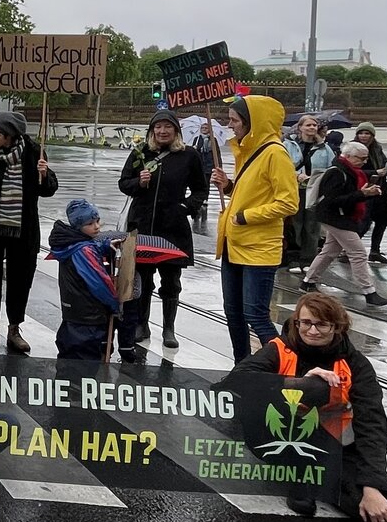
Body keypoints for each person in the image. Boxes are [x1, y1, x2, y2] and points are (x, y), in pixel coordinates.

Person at [224, 293, 387, 522]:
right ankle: (299, 474)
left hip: (332, 444)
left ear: (337, 327)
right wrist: (297, 384)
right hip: (276, 438)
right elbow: (234, 381)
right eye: (306, 323)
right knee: (315, 387)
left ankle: (321, 477)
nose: (313, 331)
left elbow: (372, 424)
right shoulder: (279, 349)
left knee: (383, 514)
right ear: (297, 322)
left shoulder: (356, 364)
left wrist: (373, 486)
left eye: (322, 325)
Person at [211, 95, 297, 361]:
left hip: (259, 247)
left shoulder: (275, 153)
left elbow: (289, 203)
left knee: (256, 315)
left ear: (252, 122)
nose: (231, 125)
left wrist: (246, 217)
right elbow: (253, 191)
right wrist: (227, 185)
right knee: (233, 313)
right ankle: (242, 367)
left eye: (235, 120)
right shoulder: (248, 149)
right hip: (233, 244)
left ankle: (283, 366)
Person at [117, 109, 207, 350]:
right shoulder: (141, 153)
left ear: (176, 130)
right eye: (158, 127)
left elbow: (201, 189)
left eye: (167, 127)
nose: (162, 131)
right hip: (143, 224)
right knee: (143, 280)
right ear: (152, 130)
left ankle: (169, 328)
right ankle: (141, 324)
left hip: (173, 228)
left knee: (171, 281)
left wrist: (185, 207)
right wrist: (139, 182)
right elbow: (124, 183)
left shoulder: (189, 155)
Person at [0, 110, 57, 354]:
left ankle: (15, 328)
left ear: (11, 135)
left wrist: (45, 174)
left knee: (21, 279)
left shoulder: (33, 151)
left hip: (24, 227)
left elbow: (48, 189)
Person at [302, 141, 387, 308]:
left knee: (330, 250)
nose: (364, 162)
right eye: (361, 158)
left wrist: (366, 194)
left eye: (366, 159)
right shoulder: (337, 173)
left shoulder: (351, 171)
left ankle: (308, 281)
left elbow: (348, 197)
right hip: (335, 218)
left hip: (340, 217)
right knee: (358, 253)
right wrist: (362, 194)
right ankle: (369, 292)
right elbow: (332, 201)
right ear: (348, 156)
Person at [46, 199, 134, 361]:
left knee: (69, 353)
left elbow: (85, 247)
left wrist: (104, 246)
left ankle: (66, 384)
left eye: (98, 221)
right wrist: (114, 304)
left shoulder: (71, 244)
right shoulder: (85, 251)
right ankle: (77, 386)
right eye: (90, 223)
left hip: (73, 312)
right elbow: (99, 282)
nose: (97, 226)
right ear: (79, 227)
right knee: (84, 359)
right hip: (89, 315)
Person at [282, 114, 332, 273]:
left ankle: (308, 259)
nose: (312, 128)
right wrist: (296, 175)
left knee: (312, 225)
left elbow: (331, 167)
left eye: (314, 125)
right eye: (308, 125)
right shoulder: (289, 145)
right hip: (294, 188)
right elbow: (282, 165)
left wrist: (318, 177)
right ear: (300, 127)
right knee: (295, 223)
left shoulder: (324, 147)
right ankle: (293, 258)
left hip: (314, 189)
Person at [350, 124, 387, 265]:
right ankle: (349, 251)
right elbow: (352, 170)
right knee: (363, 221)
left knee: (382, 220)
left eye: (367, 133)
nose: (364, 136)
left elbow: (384, 164)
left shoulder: (377, 149)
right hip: (363, 189)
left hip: (380, 189)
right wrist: (375, 172)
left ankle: (375, 251)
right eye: (361, 133)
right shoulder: (352, 149)